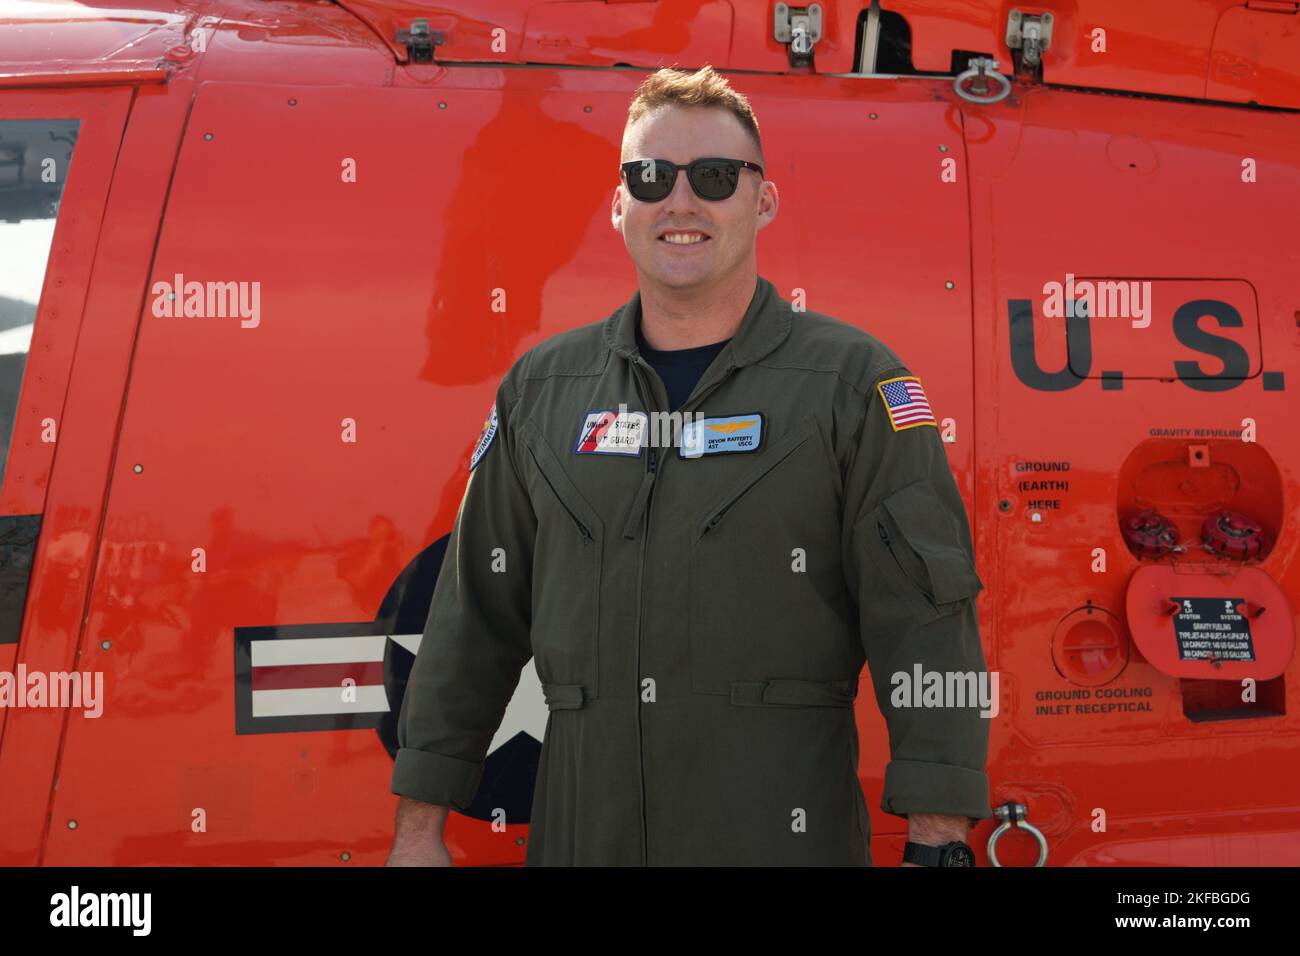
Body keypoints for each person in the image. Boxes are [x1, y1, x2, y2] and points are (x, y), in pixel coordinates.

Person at [387, 64, 991, 866]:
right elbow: (472, 621)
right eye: (649, 177)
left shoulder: (854, 385)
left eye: (713, 176)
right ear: (618, 206)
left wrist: (939, 839)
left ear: (762, 200)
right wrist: (419, 829)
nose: (680, 202)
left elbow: (928, 625)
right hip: (581, 842)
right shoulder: (543, 389)